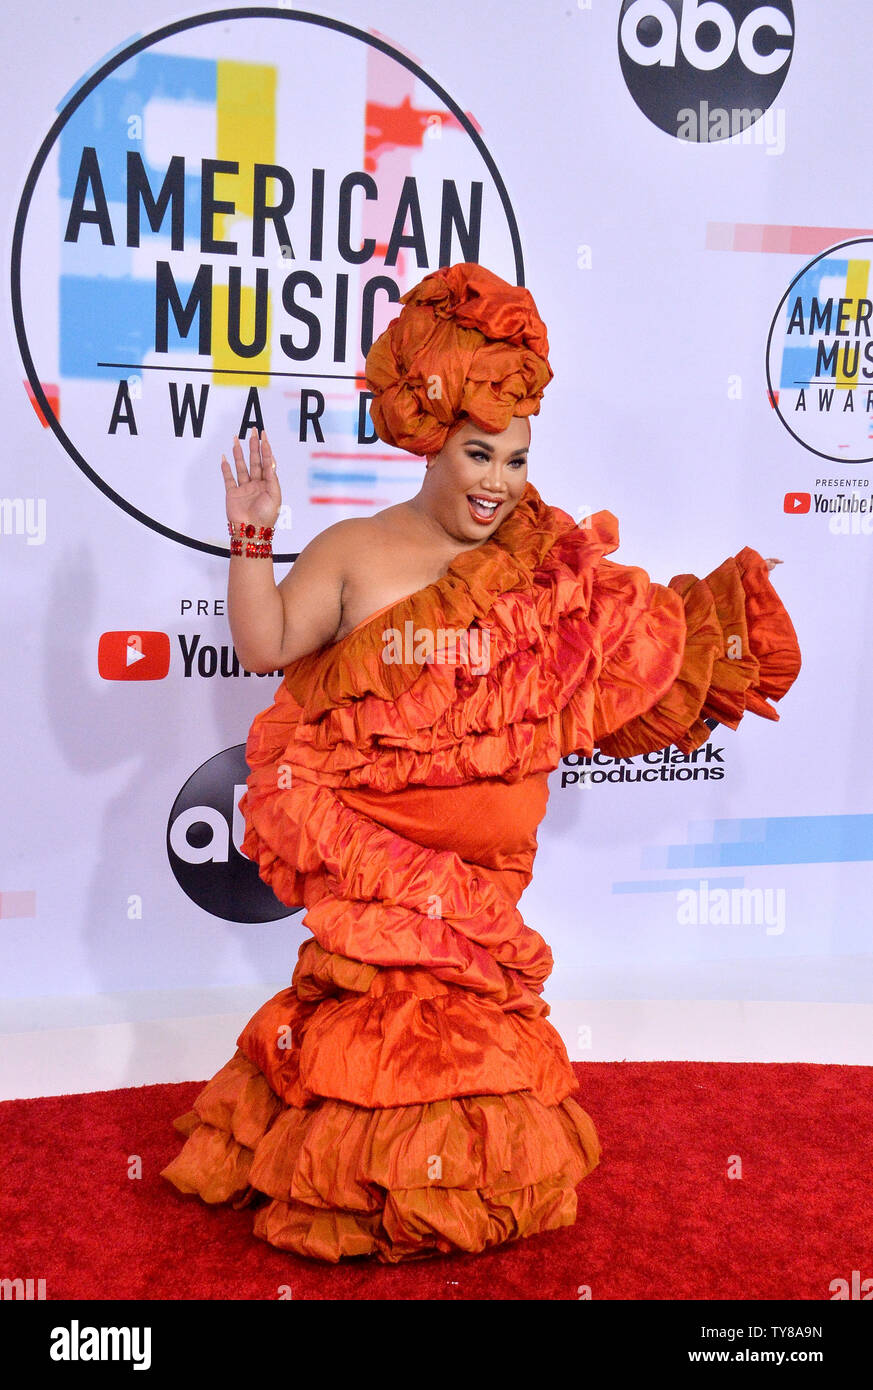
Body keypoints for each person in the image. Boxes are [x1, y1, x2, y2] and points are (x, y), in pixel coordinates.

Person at [160, 262, 802, 1263]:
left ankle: (447, 1177)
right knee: (381, 1033)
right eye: (478, 454)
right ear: (432, 447)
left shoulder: (538, 559)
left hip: (486, 885)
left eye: (515, 457)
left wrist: (716, 636)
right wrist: (252, 538)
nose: (499, 481)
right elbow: (267, 643)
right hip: (383, 870)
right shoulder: (355, 550)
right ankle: (366, 1184)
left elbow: (626, 647)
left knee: (475, 1045)